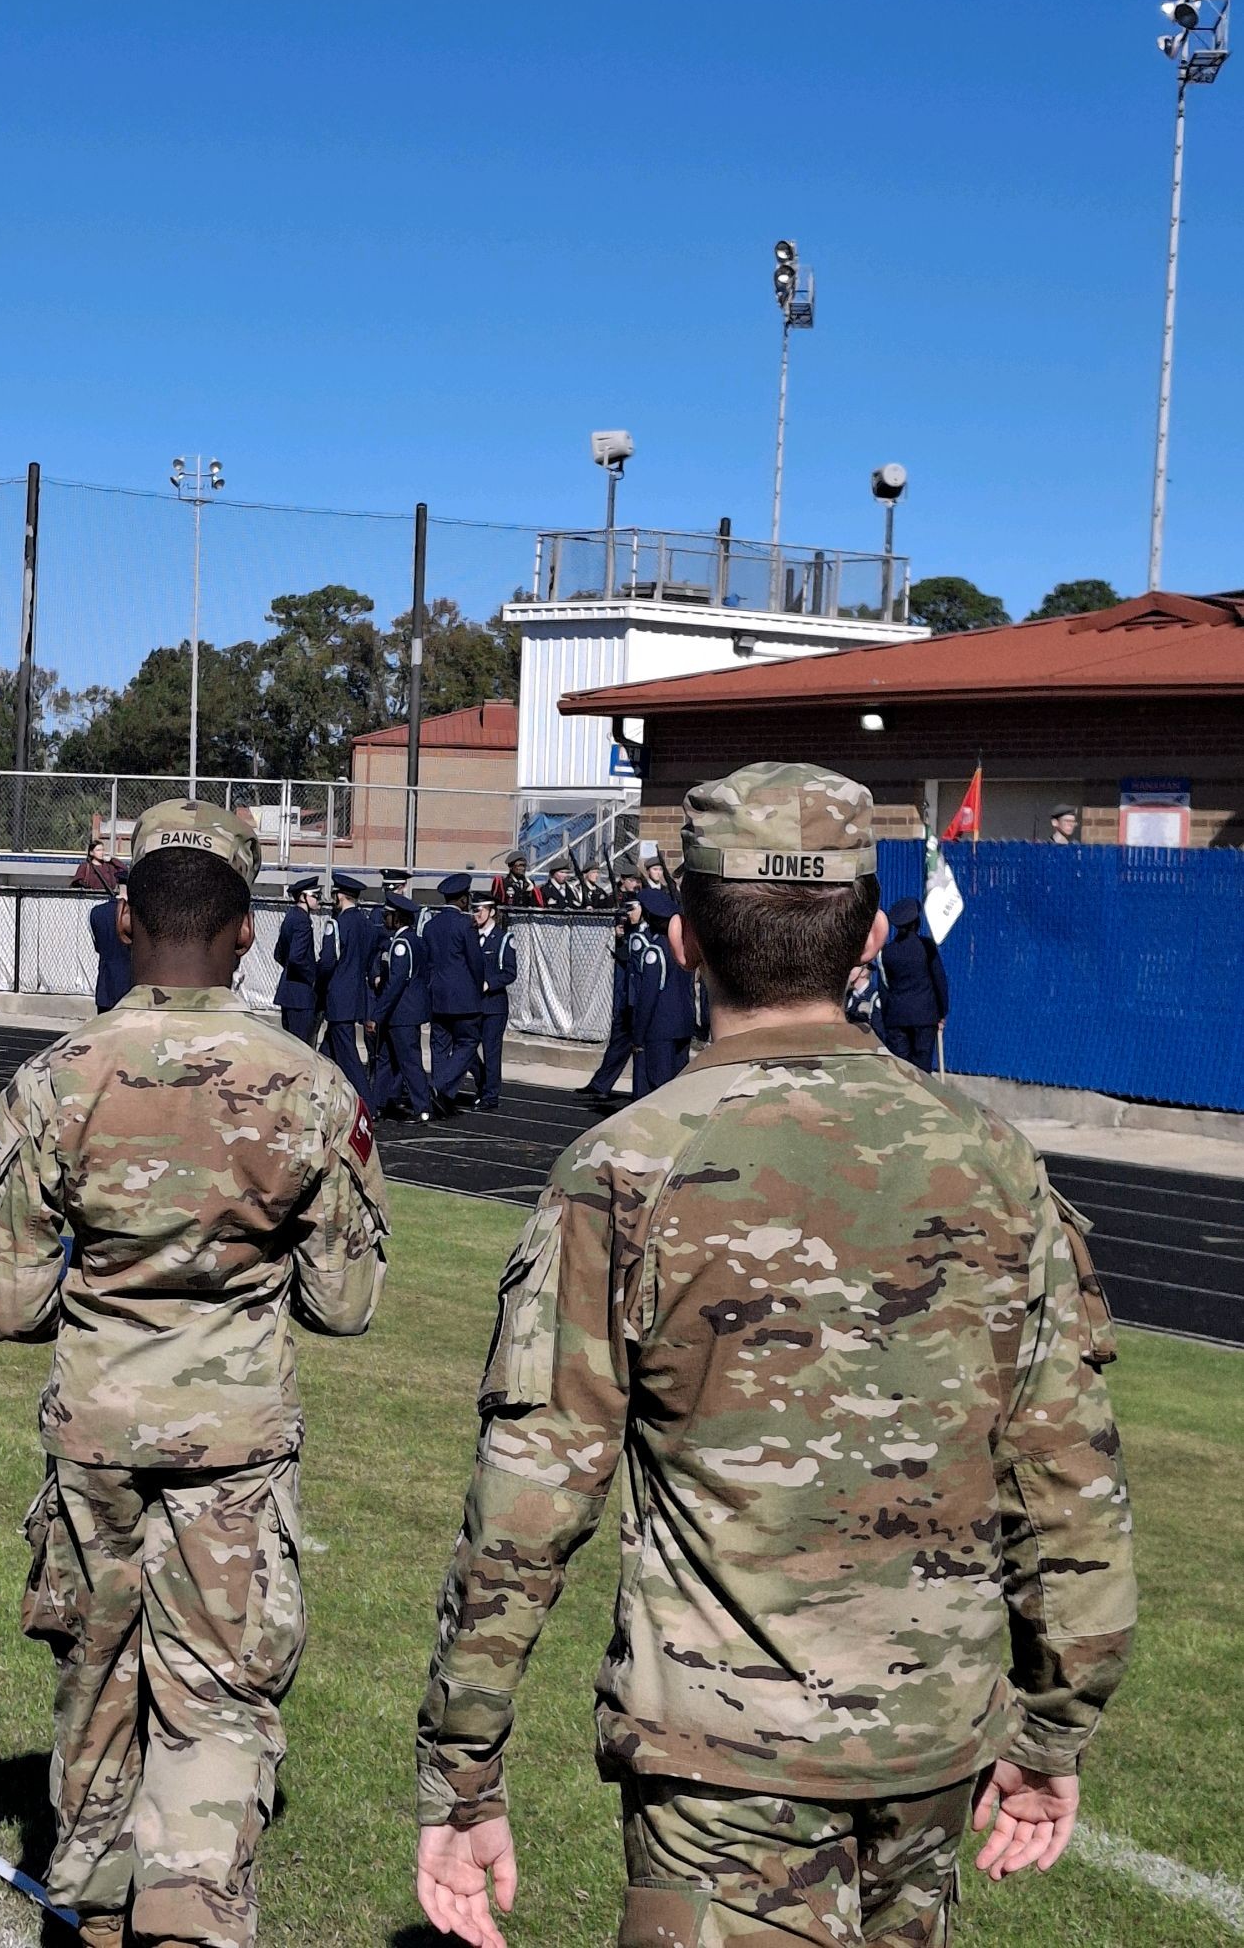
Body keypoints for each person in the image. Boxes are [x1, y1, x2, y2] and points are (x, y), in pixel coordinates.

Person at [413, 761, 1136, 1948]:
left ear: (684, 939)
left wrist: (463, 1766)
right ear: (873, 940)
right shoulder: (993, 1160)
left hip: (721, 1760)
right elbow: (1067, 1474)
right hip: (927, 1740)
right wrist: (1057, 1725)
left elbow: (530, 1501)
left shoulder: (627, 1168)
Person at [0, 797, 389, 1948]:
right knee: (216, 1702)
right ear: (247, 931)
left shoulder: (54, 1081)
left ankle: (103, 1915)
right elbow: (346, 1303)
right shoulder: (310, 1088)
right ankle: (189, 1920)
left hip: (98, 1435)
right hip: (234, 1444)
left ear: (123, 918)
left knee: (98, 1686)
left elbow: (9, 1304)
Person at [368, 891, 433, 1121]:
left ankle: (422, 1108)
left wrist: (377, 1014)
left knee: (409, 1061)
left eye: (388, 915)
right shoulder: (414, 940)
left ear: (398, 918)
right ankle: (378, 1103)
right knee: (385, 1059)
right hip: (400, 1013)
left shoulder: (402, 944)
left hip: (401, 1013)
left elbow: (396, 983)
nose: (384, 919)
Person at [425, 872, 486, 1111]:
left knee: (440, 1045)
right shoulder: (466, 925)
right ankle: (439, 1087)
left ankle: (440, 1098)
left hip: (437, 996)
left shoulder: (430, 926)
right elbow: (475, 962)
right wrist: (477, 989)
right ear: (463, 899)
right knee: (468, 1043)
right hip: (463, 998)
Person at [317, 871, 377, 1108]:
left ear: (339, 896)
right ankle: (318, 1092)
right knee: (326, 1052)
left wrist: (318, 982)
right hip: (355, 994)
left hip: (338, 995)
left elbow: (328, 961)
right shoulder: (365, 924)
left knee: (348, 1055)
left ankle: (367, 1103)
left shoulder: (338, 924)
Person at [579, 897, 646, 1104]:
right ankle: (601, 1084)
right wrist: (619, 936)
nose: (628, 915)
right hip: (626, 996)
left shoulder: (646, 933)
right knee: (619, 1040)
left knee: (640, 1046)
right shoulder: (628, 931)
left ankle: (643, 1091)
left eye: (632, 910)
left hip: (641, 998)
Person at [630, 885, 695, 1096]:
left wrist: (638, 1036)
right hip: (683, 1024)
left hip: (659, 1028)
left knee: (656, 1089)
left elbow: (648, 997)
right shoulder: (684, 947)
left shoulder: (655, 951)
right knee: (678, 1089)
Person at [879, 896, 949, 1072]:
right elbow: (939, 980)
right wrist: (942, 1012)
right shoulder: (926, 947)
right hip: (925, 1016)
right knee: (922, 1069)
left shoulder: (887, 952)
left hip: (896, 1017)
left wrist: (888, 1017)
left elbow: (884, 988)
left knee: (901, 1070)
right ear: (916, 923)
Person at [472, 895, 517, 1113]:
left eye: (480, 910)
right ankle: (483, 1082)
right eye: (474, 910)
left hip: (493, 1005)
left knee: (491, 1051)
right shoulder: (470, 935)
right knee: (466, 1047)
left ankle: (490, 1095)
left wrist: (489, 984)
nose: (477, 914)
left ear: (491, 912)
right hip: (472, 1004)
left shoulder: (503, 938)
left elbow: (510, 972)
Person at [273, 874, 321, 1042]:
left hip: (288, 993)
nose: (318, 899)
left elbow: (279, 953)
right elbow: (296, 958)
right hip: (301, 996)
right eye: (315, 895)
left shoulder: (291, 916)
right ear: (303, 897)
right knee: (301, 1046)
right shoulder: (302, 922)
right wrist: (312, 978)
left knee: (290, 1045)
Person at [88, 875, 132, 1015]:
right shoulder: (138, 914)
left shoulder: (96, 912)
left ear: (116, 886)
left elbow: (97, 946)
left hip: (105, 986)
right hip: (131, 986)